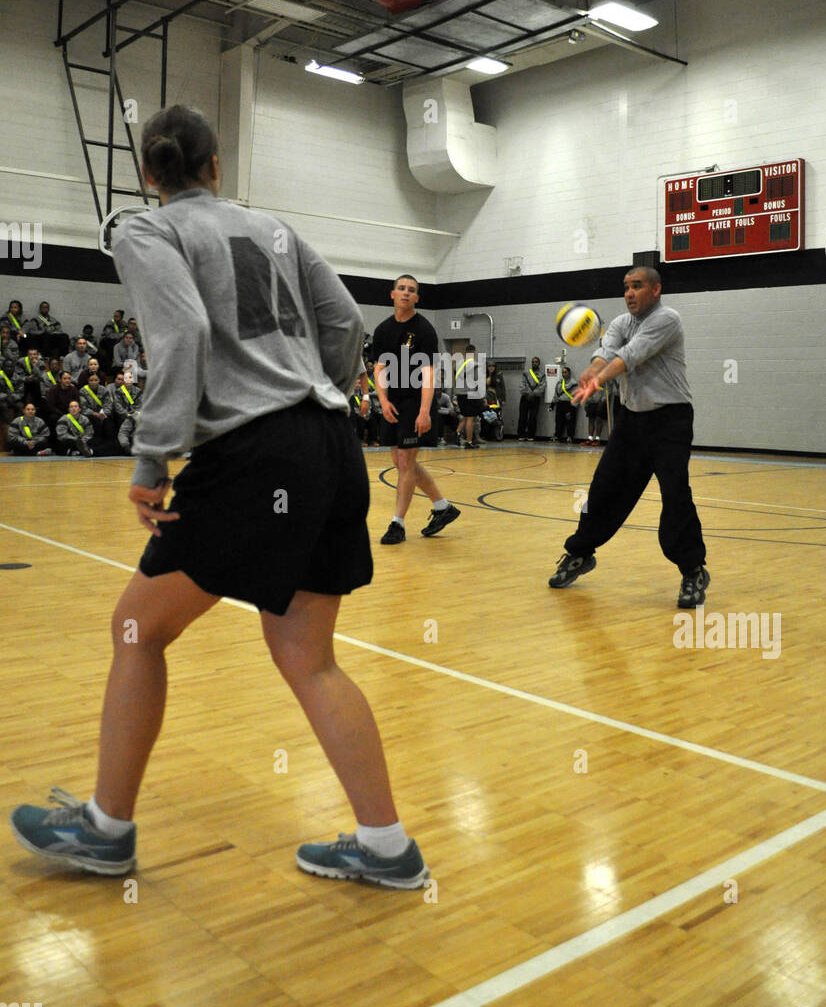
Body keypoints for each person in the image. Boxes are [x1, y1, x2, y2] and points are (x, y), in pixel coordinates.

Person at [11, 104, 429, 890]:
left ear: (150, 175)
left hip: (256, 454)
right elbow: (344, 321)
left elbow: (183, 334)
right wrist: (313, 395)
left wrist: (151, 458)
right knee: (308, 656)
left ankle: (106, 830)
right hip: (332, 445)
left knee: (135, 628)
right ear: (214, 168)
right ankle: (386, 847)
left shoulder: (144, 229)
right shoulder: (273, 228)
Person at [548, 266, 709, 609]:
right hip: (632, 420)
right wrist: (591, 372)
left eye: (637, 286)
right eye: (626, 288)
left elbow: (629, 356)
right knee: (603, 489)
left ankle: (693, 570)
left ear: (656, 290)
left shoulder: (668, 319)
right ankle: (579, 553)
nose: (629, 293)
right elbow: (605, 353)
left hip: (671, 420)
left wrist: (601, 378)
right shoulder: (621, 322)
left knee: (675, 494)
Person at [372, 274, 460, 544]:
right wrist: (383, 401)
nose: (406, 293)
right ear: (392, 294)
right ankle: (442, 507)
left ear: (417, 298)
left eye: (411, 290)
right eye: (401, 288)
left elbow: (428, 373)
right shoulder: (382, 330)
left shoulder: (424, 330)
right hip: (393, 401)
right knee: (398, 461)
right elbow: (380, 368)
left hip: (415, 401)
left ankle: (397, 524)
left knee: (407, 462)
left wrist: (424, 411)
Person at [454, 344, 485, 449]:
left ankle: (457, 433)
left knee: (465, 416)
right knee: (470, 419)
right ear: (474, 352)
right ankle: (469, 441)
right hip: (469, 394)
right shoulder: (475, 365)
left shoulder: (458, 364)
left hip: (459, 394)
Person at [518, 357, 544, 440]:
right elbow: (522, 384)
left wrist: (533, 393)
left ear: (539, 363)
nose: (534, 363)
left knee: (533, 417)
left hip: (535, 398)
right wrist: (527, 393)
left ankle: (530, 435)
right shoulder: (526, 373)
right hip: (525, 397)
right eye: (533, 362)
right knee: (522, 416)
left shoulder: (542, 374)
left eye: (536, 362)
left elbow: (542, 386)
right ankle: (521, 434)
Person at [552, 365, 578, 443]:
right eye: (563, 372)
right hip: (560, 403)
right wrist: (553, 403)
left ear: (569, 373)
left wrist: (574, 405)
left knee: (570, 421)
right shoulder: (559, 382)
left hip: (569, 404)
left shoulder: (573, 383)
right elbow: (556, 393)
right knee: (559, 420)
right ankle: (557, 436)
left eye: (565, 372)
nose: (564, 374)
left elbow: (577, 394)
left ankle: (570, 436)